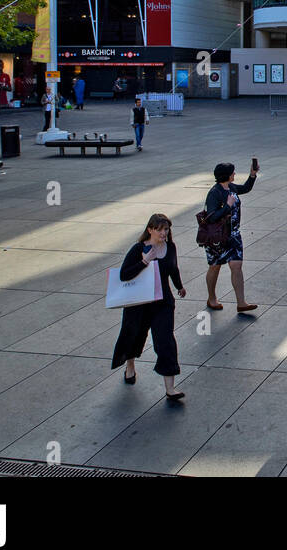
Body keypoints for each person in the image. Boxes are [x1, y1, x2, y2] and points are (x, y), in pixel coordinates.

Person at [111, 213, 187, 402]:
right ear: (150, 229)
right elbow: (124, 275)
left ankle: (170, 388)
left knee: (165, 341)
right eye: (159, 229)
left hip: (163, 302)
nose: (163, 233)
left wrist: (179, 286)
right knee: (134, 336)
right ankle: (130, 366)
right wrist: (145, 261)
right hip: (139, 303)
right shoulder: (139, 248)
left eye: (166, 229)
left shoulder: (170, 247)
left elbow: (173, 268)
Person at [202, 160, 260, 312]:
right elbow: (211, 217)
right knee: (215, 267)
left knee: (236, 266)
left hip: (233, 235)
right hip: (218, 238)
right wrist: (227, 206)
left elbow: (246, 188)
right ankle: (212, 298)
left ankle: (241, 303)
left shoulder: (231, 187)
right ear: (226, 175)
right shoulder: (214, 193)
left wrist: (252, 175)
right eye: (232, 172)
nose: (234, 173)